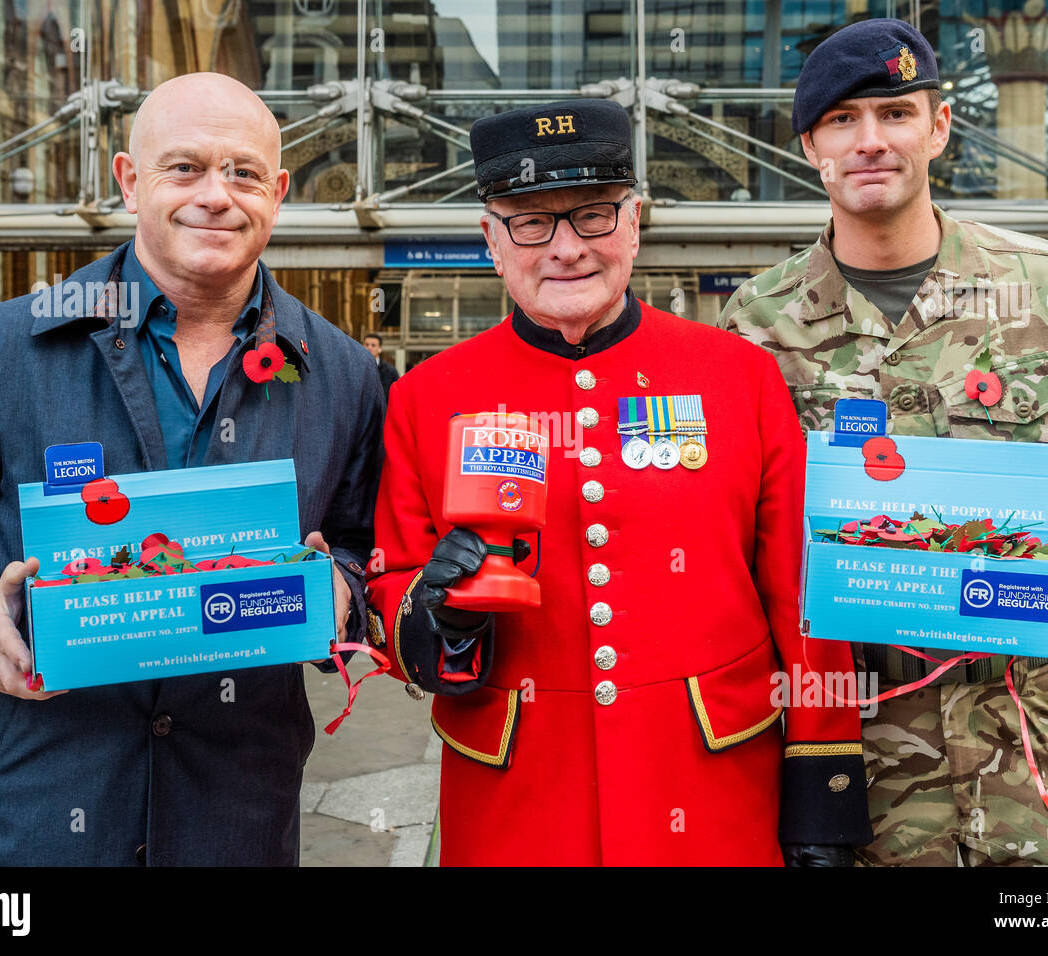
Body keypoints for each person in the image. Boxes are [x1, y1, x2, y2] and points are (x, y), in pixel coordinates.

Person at [0, 72, 384, 865]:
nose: (215, 196)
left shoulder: (344, 376)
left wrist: (343, 594)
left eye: (244, 172)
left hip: (238, 819)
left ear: (278, 192)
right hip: (32, 816)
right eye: (184, 167)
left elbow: (362, 543)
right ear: (128, 181)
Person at [720, 18, 1048, 866]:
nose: (871, 142)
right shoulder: (752, 328)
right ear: (811, 146)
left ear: (939, 128)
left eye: (896, 113)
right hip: (859, 790)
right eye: (842, 122)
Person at [365, 99, 871, 865]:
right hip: (517, 802)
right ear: (491, 241)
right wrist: (438, 617)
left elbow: (801, 598)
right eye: (530, 222)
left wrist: (822, 794)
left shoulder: (739, 378)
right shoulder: (426, 396)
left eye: (594, 215)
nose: (565, 248)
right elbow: (392, 582)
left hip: (713, 786)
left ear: (634, 222)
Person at [364, 332, 399, 403]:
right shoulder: (356, 369)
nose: (369, 348)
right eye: (367, 345)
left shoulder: (390, 371)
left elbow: (396, 395)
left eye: (373, 345)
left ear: (380, 349)